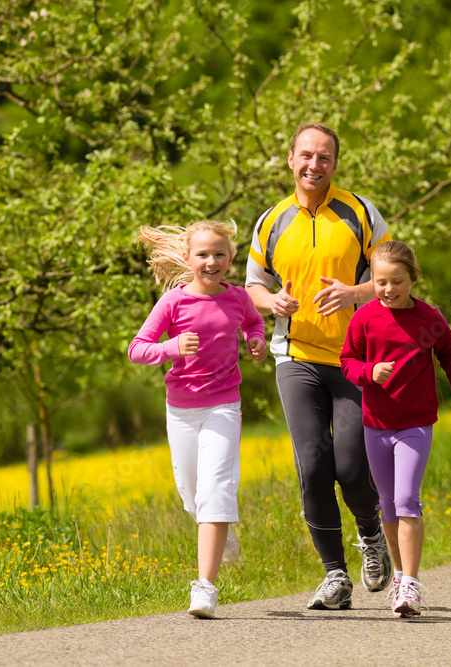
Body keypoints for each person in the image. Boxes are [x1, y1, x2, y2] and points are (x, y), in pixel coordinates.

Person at [245, 122, 394, 610]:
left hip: (356, 359)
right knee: (312, 464)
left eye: (324, 157)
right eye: (305, 155)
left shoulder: (360, 212)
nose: (314, 164)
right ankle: (334, 576)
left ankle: (371, 534)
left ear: (336, 163)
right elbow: (252, 285)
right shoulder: (271, 220)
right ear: (290, 160)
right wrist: (272, 304)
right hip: (296, 357)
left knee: (351, 466)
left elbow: (396, 278)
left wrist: (355, 293)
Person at [129, 220, 268, 620]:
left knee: (217, 488)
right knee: (190, 493)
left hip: (224, 405)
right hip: (182, 409)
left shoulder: (239, 298)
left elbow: (252, 323)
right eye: (203, 255)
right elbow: (137, 349)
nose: (212, 262)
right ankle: (220, 535)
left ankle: (205, 587)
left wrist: (254, 341)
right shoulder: (173, 302)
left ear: (231, 257)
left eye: (219, 254)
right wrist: (171, 347)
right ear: (188, 259)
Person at [339, 241, 451, 618]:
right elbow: (347, 361)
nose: (388, 289)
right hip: (376, 424)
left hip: (415, 423)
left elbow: (449, 352)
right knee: (388, 507)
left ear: (413, 278)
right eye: (381, 282)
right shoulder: (363, 318)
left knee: (407, 499)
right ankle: (399, 575)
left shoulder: (428, 319)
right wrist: (369, 372)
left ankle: (411, 584)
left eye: (397, 281)